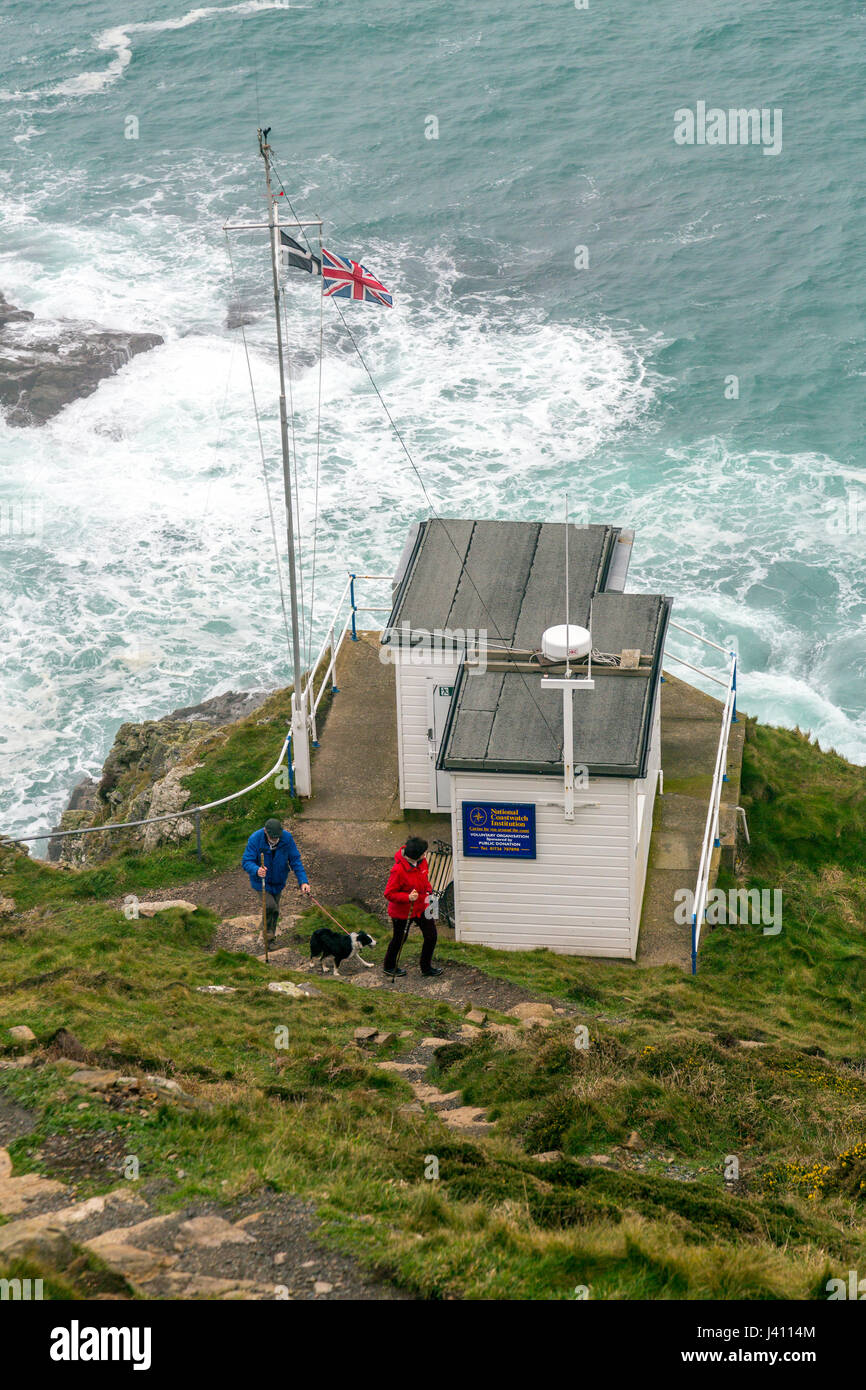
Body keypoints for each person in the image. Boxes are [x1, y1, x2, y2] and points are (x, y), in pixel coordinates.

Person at [242, 816, 311, 946]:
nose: (275, 840)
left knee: (275, 911)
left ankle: (268, 933)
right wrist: (256, 870)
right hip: (261, 882)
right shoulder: (255, 839)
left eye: (277, 837)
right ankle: (268, 939)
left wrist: (303, 881)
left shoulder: (287, 838)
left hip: (279, 881)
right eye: (272, 837)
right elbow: (246, 861)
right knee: (270, 906)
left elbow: (295, 860)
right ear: (265, 831)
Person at [382, 836, 442, 979]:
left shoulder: (422, 862)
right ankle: (389, 966)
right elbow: (389, 893)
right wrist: (407, 897)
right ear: (415, 855)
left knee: (431, 936)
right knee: (400, 938)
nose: (426, 855)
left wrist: (428, 889)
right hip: (403, 911)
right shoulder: (398, 870)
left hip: (423, 905)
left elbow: (424, 878)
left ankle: (426, 968)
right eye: (424, 852)